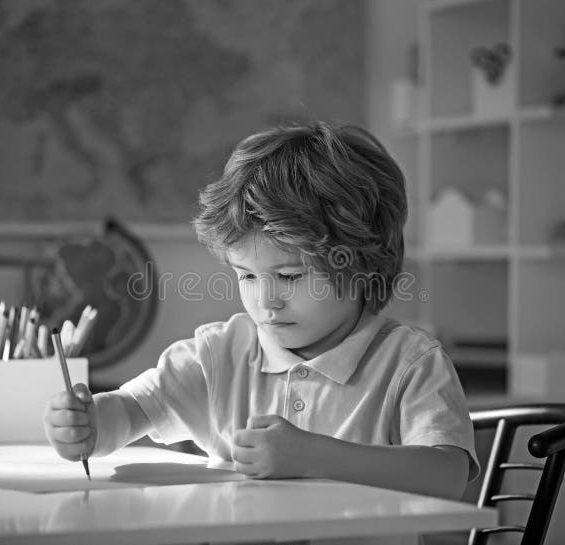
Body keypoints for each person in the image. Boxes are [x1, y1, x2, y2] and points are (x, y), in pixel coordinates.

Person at [43, 121, 478, 499]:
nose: (265, 301)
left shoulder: (409, 363)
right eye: (247, 276)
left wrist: (317, 457)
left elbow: (447, 474)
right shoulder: (220, 354)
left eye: (289, 276)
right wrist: (91, 425)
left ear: (363, 263)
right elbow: (134, 409)